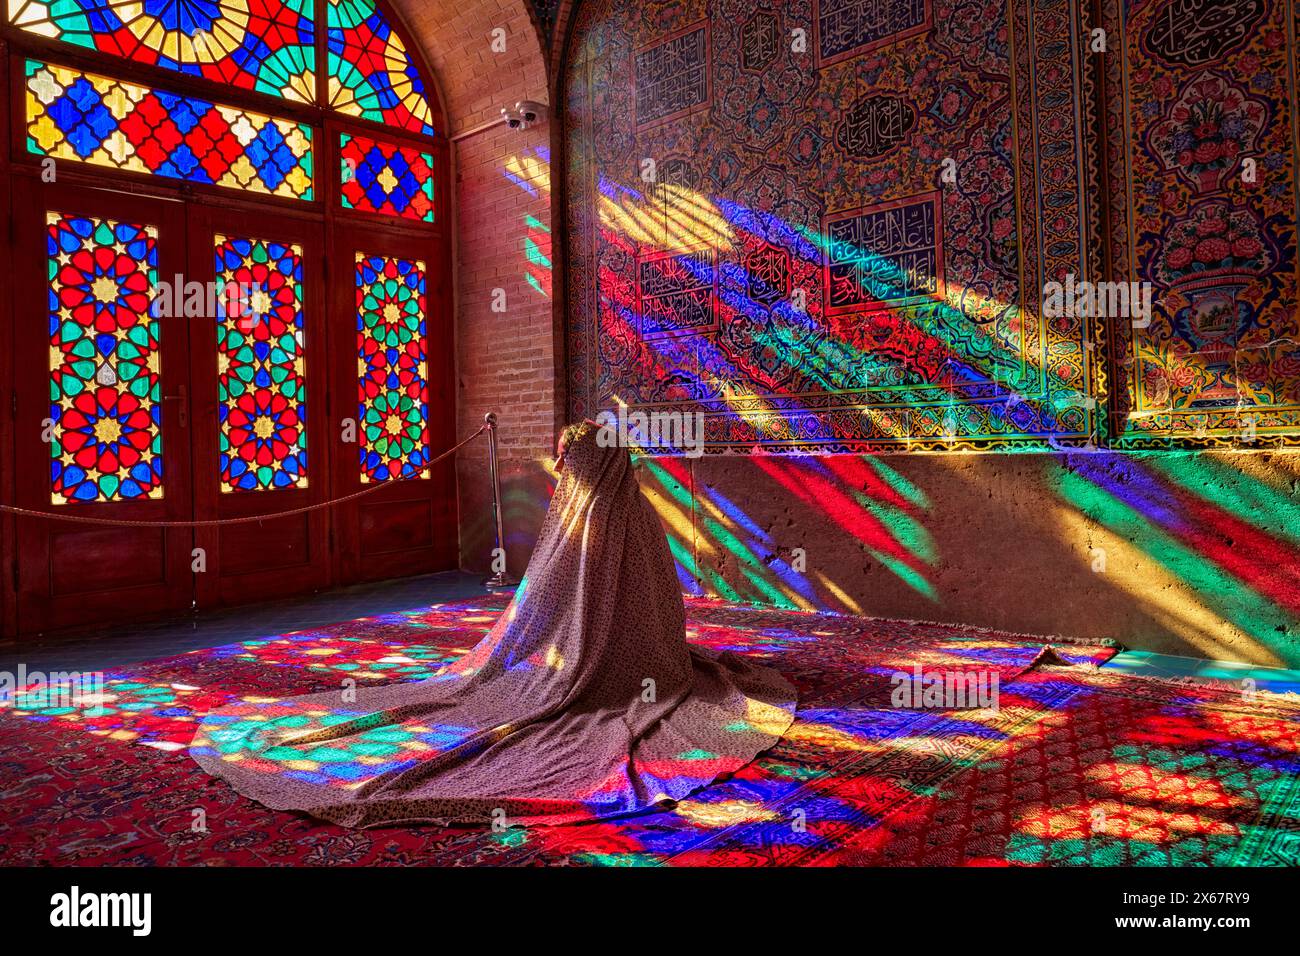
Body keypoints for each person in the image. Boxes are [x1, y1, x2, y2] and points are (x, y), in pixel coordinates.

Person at [190, 420, 797, 828]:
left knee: (501, 692)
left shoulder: (589, 518)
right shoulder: (623, 510)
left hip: (598, 673)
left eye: (571, 462)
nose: (564, 472)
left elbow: (549, 607)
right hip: (645, 669)